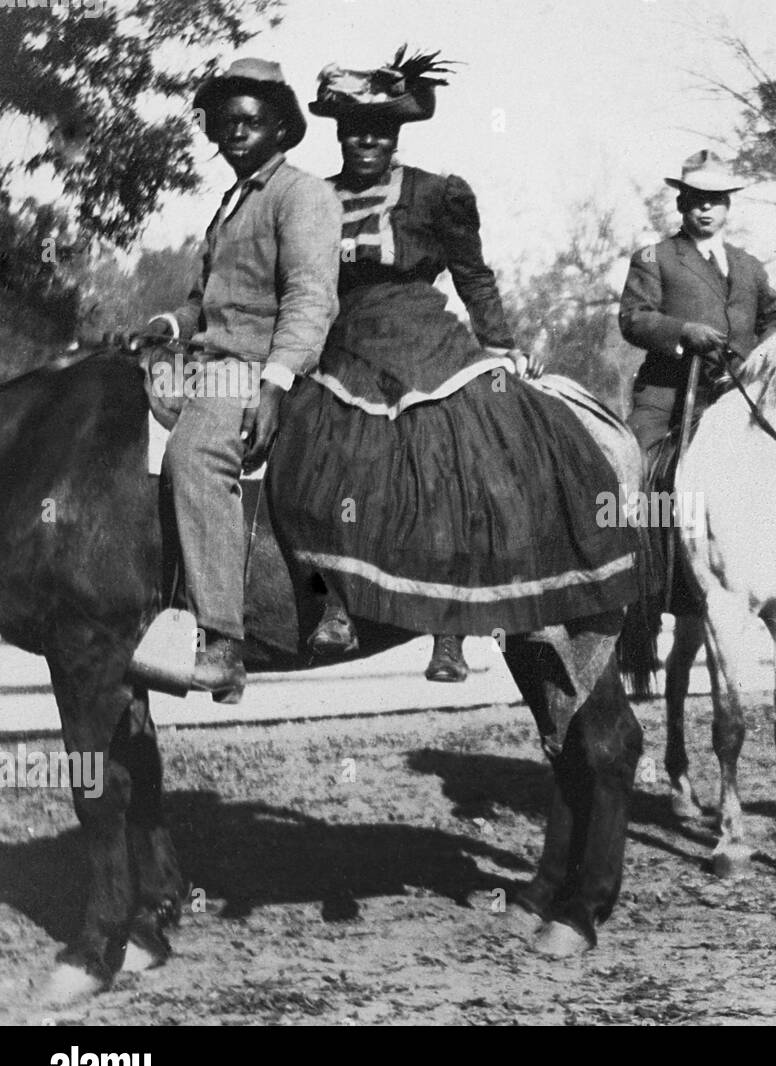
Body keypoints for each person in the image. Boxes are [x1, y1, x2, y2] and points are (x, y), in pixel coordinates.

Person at [269, 48, 638, 671]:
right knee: (314, 447)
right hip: (344, 344)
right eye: (353, 129)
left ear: (397, 134)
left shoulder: (436, 195)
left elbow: (474, 277)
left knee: (462, 456)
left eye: (379, 130)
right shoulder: (315, 199)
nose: (365, 140)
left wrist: (498, 344)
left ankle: (454, 629)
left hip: (427, 339)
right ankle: (331, 601)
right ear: (337, 132)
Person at [147, 59, 343, 703]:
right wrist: (166, 327)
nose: (236, 131)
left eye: (252, 121)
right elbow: (201, 302)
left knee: (195, 457)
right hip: (203, 362)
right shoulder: (230, 204)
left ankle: (222, 641)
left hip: (252, 369)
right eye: (227, 120)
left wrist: (275, 383)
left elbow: (310, 298)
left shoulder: (302, 195)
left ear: (282, 128)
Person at [618, 150, 776, 619]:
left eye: (715, 200)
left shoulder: (748, 265)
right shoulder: (655, 258)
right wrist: (682, 333)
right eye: (696, 200)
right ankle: (636, 571)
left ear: (728, 206)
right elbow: (634, 318)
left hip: (742, 397)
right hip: (673, 396)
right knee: (635, 466)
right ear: (681, 203)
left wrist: (762, 356)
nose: (706, 209)